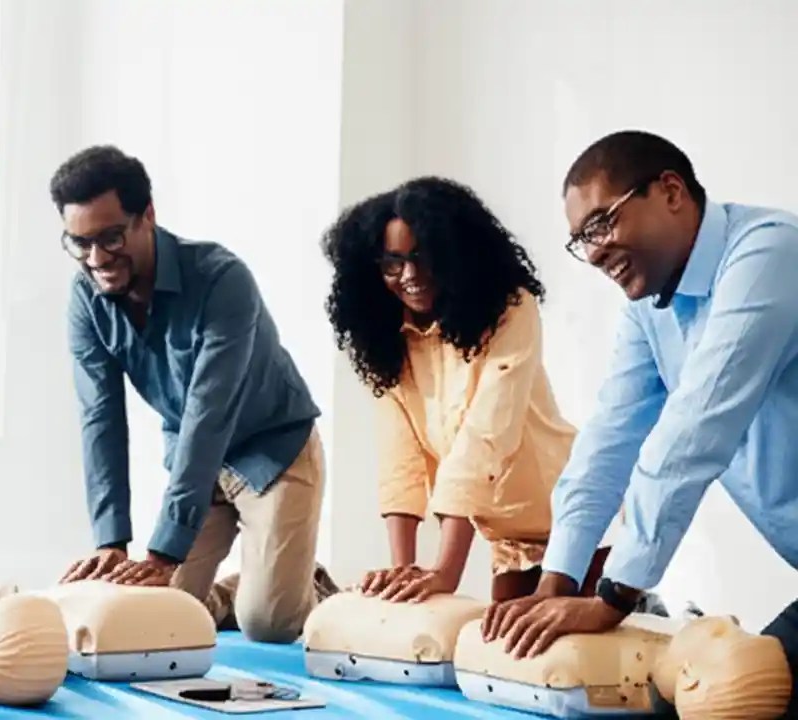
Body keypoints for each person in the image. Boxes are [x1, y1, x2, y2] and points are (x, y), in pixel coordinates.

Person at [481, 130, 798, 715]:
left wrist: (614, 595)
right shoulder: (649, 309)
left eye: (601, 223)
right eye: (581, 240)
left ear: (671, 191)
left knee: (738, 695)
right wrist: (559, 578)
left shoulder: (769, 255)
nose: (595, 252)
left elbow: (694, 431)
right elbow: (609, 441)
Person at [52, 145, 335, 643]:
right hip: (196, 464)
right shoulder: (85, 298)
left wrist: (163, 552)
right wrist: (112, 543)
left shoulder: (223, 280)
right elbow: (100, 418)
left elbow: (210, 412)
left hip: (272, 452)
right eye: (80, 243)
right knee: (157, 616)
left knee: (268, 623)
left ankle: (312, 586)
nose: (96, 259)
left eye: (111, 238)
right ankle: (241, 591)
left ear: (148, 217)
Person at [321, 176, 607, 604]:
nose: (410, 276)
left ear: (455, 256)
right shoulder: (384, 341)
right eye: (392, 263)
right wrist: (405, 570)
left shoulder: (511, 308)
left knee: (560, 651)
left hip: (571, 513)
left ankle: (644, 604)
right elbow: (402, 463)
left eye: (423, 258)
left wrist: (444, 571)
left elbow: (486, 435)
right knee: (506, 650)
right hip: (507, 536)